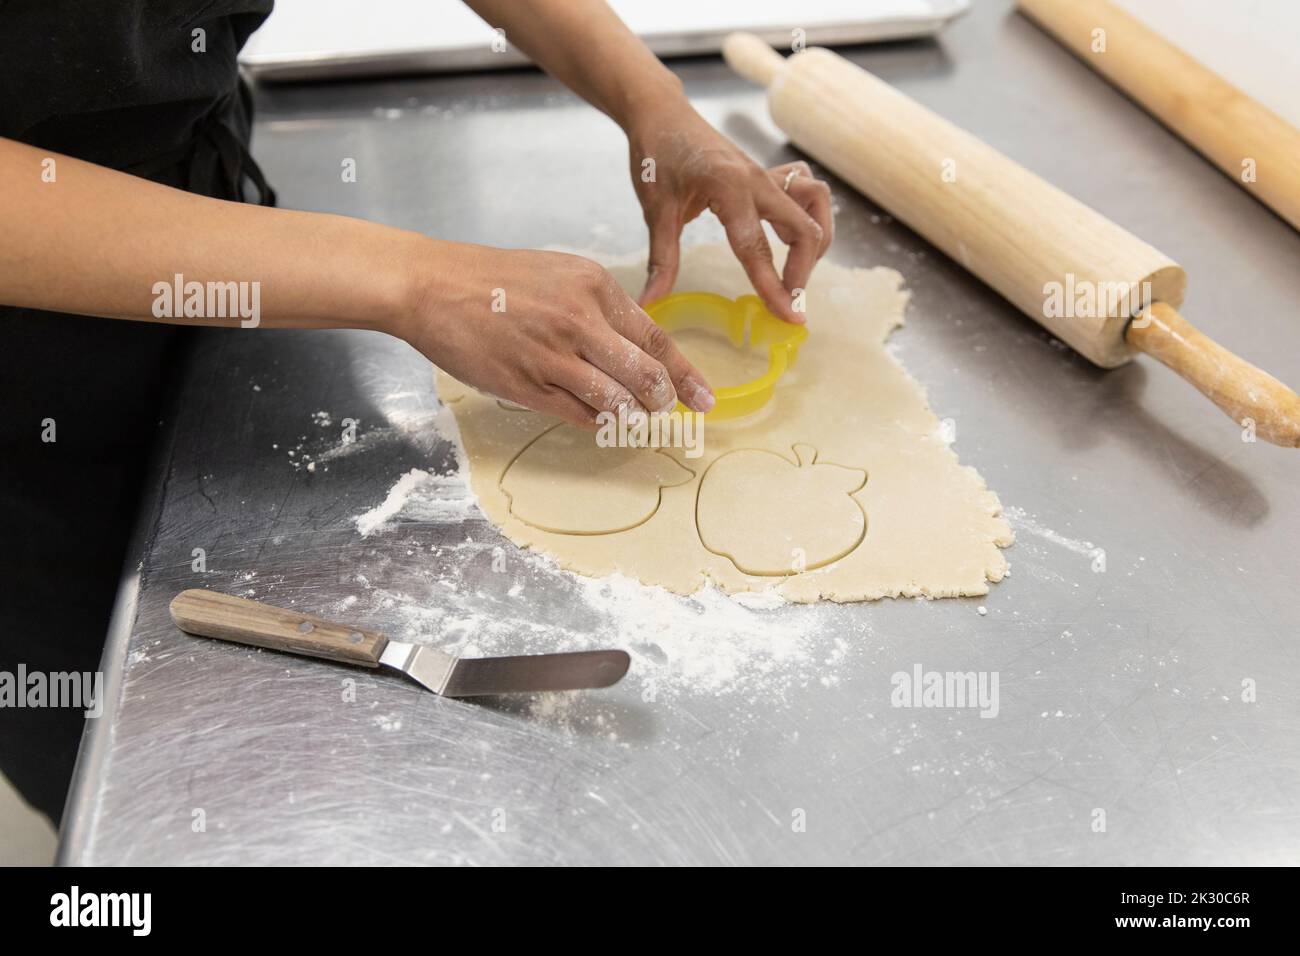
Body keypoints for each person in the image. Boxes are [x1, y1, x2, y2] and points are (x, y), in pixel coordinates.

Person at [0, 0, 832, 824]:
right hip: (32, 366)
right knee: (136, 765)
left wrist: (651, 99)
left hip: (219, 234)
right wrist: (416, 282)